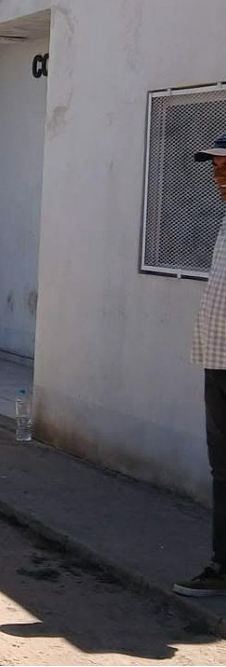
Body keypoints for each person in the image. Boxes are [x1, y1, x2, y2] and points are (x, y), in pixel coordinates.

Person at [175, 133, 226, 597]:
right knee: (223, 469)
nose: (218, 175)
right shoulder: (225, 223)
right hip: (218, 360)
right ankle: (221, 565)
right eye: (215, 167)